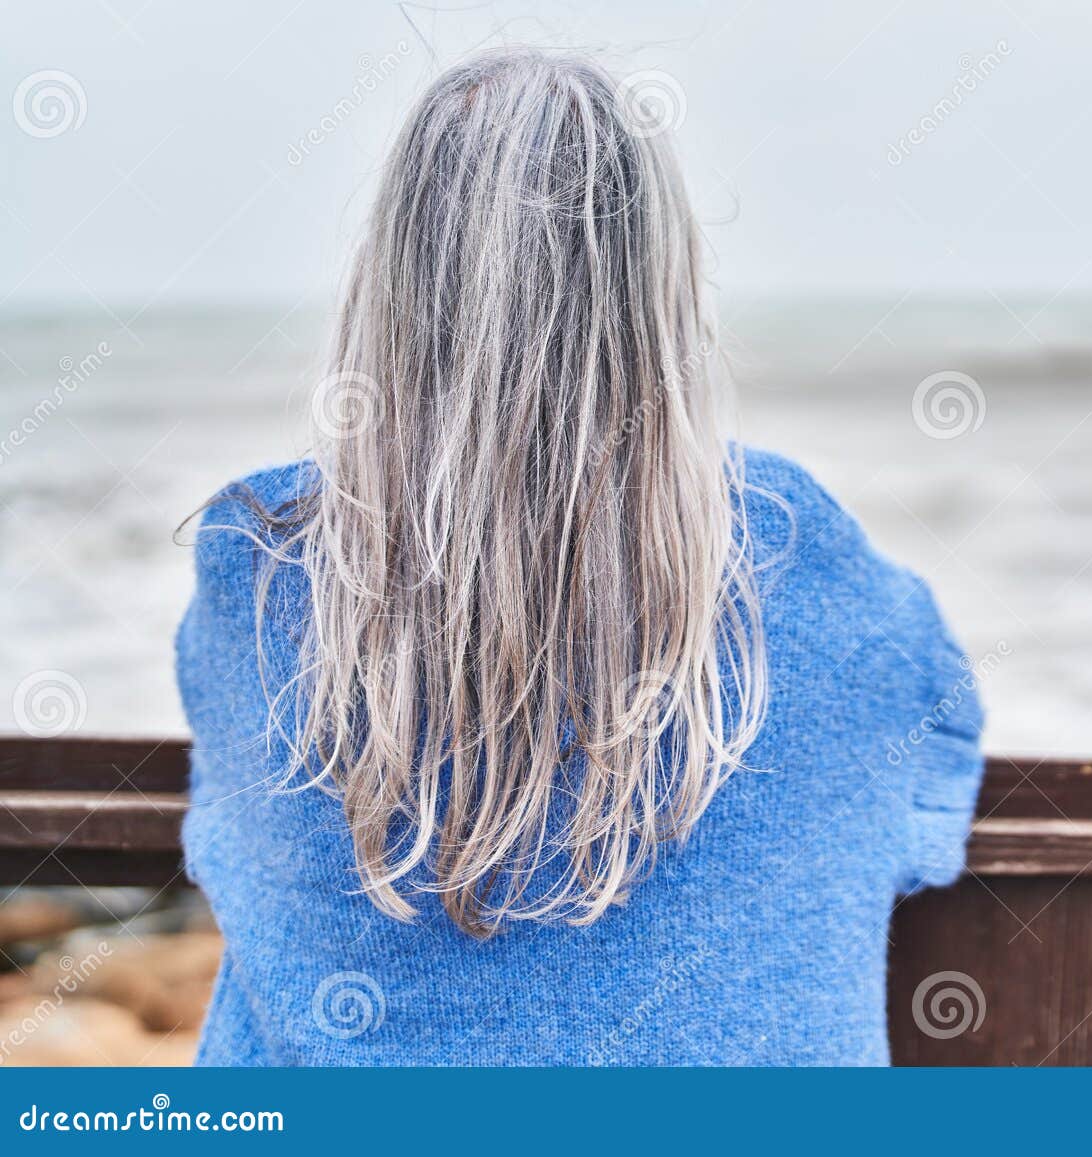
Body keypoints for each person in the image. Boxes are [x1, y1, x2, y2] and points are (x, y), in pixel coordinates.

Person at [177, 47, 983, 1065]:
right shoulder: (782, 537)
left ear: (388, 273)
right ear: (660, 282)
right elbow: (930, 725)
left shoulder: (262, 552)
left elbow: (232, 830)